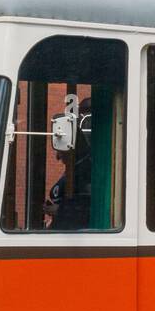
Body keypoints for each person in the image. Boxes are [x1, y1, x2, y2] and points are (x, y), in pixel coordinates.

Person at [44, 98, 93, 230]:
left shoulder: (86, 172)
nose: (58, 157)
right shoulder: (77, 168)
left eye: (61, 150)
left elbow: (88, 208)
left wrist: (59, 212)